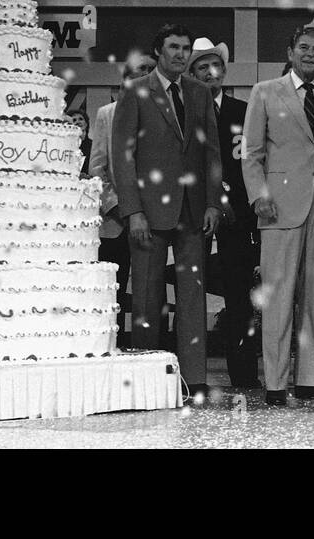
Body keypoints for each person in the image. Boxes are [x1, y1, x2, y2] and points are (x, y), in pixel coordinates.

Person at [242, 26, 314, 406]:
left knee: (313, 298)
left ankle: (310, 379)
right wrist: (259, 196)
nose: (310, 54)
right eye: (304, 47)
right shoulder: (265, 92)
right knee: (278, 297)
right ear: (290, 51)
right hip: (279, 208)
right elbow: (251, 153)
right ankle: (275, 382)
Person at [112, 24, 222, 401]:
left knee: (193, 296)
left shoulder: (200, 93)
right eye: (174, 47)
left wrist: (211, 202)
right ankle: (146, 375)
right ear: (159, 51)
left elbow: (211, 153)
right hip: (148, 210)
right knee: (146, 295)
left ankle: (194, 379)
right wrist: (132, 211)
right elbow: (121, 156)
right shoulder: (135, 91)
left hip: (192, 208)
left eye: (185, 48)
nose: (180, 54)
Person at [188, 36, 262, 389]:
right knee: (191, 293)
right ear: (192, 73)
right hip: (196, 212)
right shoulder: (183, 111)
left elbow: (251, 161)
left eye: (214, 65)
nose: (209, 72)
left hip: (239, 217)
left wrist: (236, 203)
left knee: (239, 296)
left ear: (224, 70)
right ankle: (192, 375)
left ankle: (244, 375)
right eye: (201, 67)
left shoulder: (243, 110)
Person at [89, 52, 157, 347]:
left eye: (151, 70)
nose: (147, 75)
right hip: (117, 221)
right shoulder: (108, 113)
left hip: (155, 219)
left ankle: (150, 351)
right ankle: (108, 349)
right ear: (125, 79)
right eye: (141, 70)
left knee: (150, 293)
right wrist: (122, 208)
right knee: (113, 293)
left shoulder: (163, 113)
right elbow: (97, 169)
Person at [65, 109, 91, 177]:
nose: (78, 122)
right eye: (74, 120)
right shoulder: (66, 145)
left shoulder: (93, 145)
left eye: (80, 119)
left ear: (86, 123)